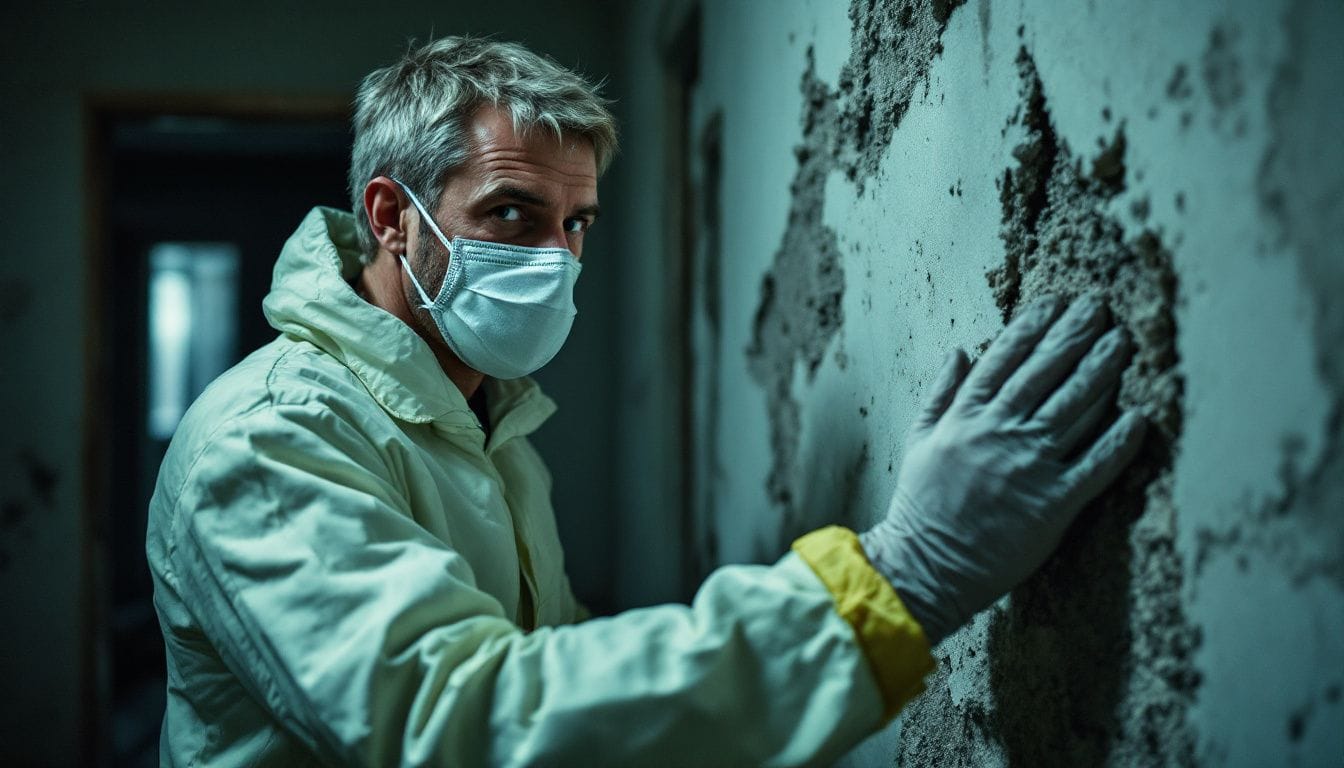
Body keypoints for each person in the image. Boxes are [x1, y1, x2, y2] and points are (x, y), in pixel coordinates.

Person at [146, 36, 1146, 767]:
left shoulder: (488, 422)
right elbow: (462, 722)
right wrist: (903, 580)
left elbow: (553, 663)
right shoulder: (270, 439)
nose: (555, 259)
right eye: (511, 213)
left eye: (576, 223)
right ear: (391, 217)